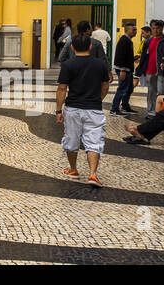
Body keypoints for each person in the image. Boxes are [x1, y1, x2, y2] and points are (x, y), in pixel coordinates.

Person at [56, 29, 111, 186]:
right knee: (94, 141)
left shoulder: (68, 65)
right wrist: (97, 99)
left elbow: (62, 88)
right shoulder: (100, 65)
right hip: (94, 108)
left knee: (71, 139)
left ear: (72, 47)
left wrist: (58, 110)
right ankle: (93, 174)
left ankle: (73, 169)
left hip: (73, 108)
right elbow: (105, 86)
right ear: (90, 47)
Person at [133, 20, 164, 115]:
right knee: (151, 92)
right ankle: (151, 112)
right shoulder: (148, 41)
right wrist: (139, 71)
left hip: (162, 71)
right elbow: (144, 56)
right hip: (150, 71)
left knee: (163, 93)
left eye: (158, 28)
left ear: (162, 28)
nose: (155, 30)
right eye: (153, 28)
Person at [109, 22, 138, 116]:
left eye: (135, 29)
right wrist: (122, 70)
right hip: (124, 70)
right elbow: (121, 56)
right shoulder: (124, 40)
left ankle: (125, 106)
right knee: (122, 89)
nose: (135, 31)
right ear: (127, 30)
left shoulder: (127, 40)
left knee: (129, 88)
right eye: (133, 29)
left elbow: (126, 56)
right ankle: (114, 109)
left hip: (127, 69)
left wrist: (133, 58)